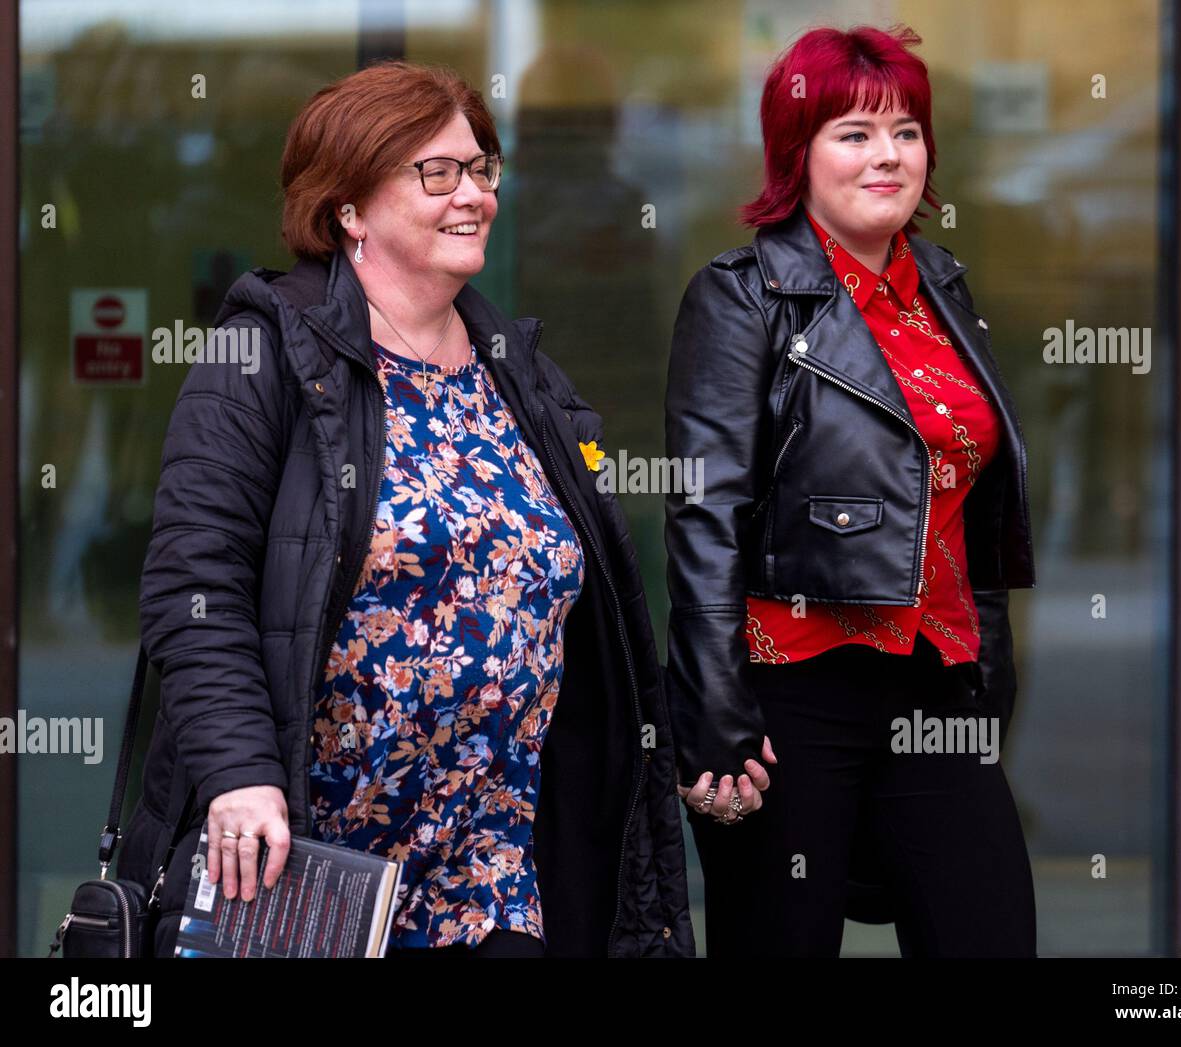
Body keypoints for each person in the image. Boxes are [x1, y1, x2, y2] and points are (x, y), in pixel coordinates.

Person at [117, 59, 694, 958]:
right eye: (437, 172)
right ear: (347, 206)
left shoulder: (523, 374)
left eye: (481, 169)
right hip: (306, 869)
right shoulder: (262, 351)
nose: (472, 194)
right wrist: (239, 775)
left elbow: (604, 609)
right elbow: (195, 585)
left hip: (495, 879)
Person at [664, 24, 1037, 957]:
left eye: (906, 132)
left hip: (933, 684)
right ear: (800, 155)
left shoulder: (942, 285)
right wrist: (710, 707)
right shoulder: (741, 295)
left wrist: (988, 660)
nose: (888, 156)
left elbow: (970, 500)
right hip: (789, 692)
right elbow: (705, 513)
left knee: (988, 932)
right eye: (854, 133)